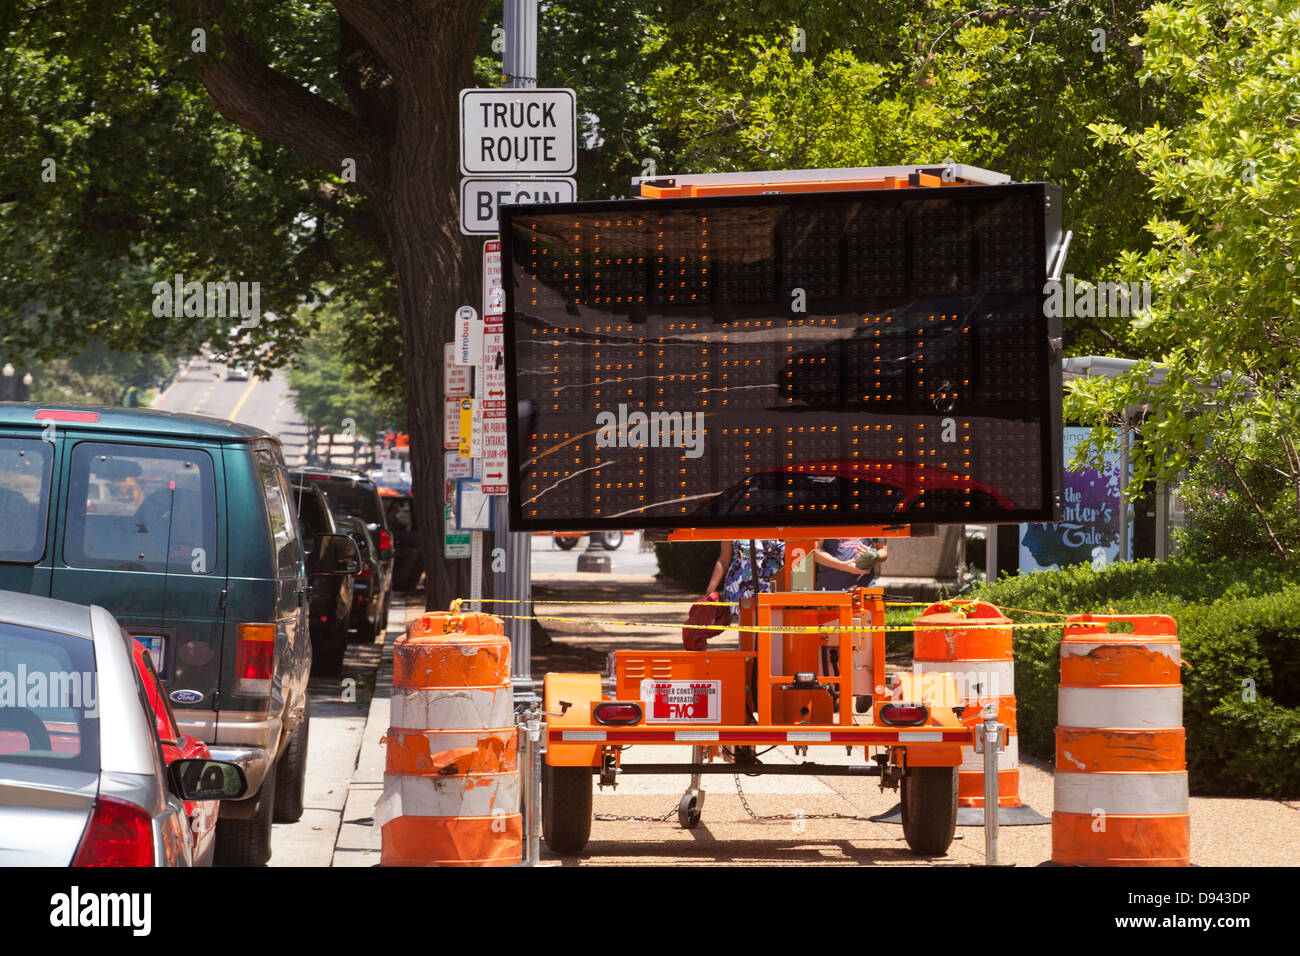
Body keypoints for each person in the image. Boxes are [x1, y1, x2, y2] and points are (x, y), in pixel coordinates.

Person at [701, 539, 785, 621]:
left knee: (774, 622)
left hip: (774, 582)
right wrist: (710, 590)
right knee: (746, 625)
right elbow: (723, 560)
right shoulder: (732, 527)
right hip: (741, 585)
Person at [813, 537, 888, 590]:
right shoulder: (824, 516)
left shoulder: (871, 516)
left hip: (865, 589)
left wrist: (874, 555)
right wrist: (841, 566)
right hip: (830, 590)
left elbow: (883, 551)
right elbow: (815, 551)